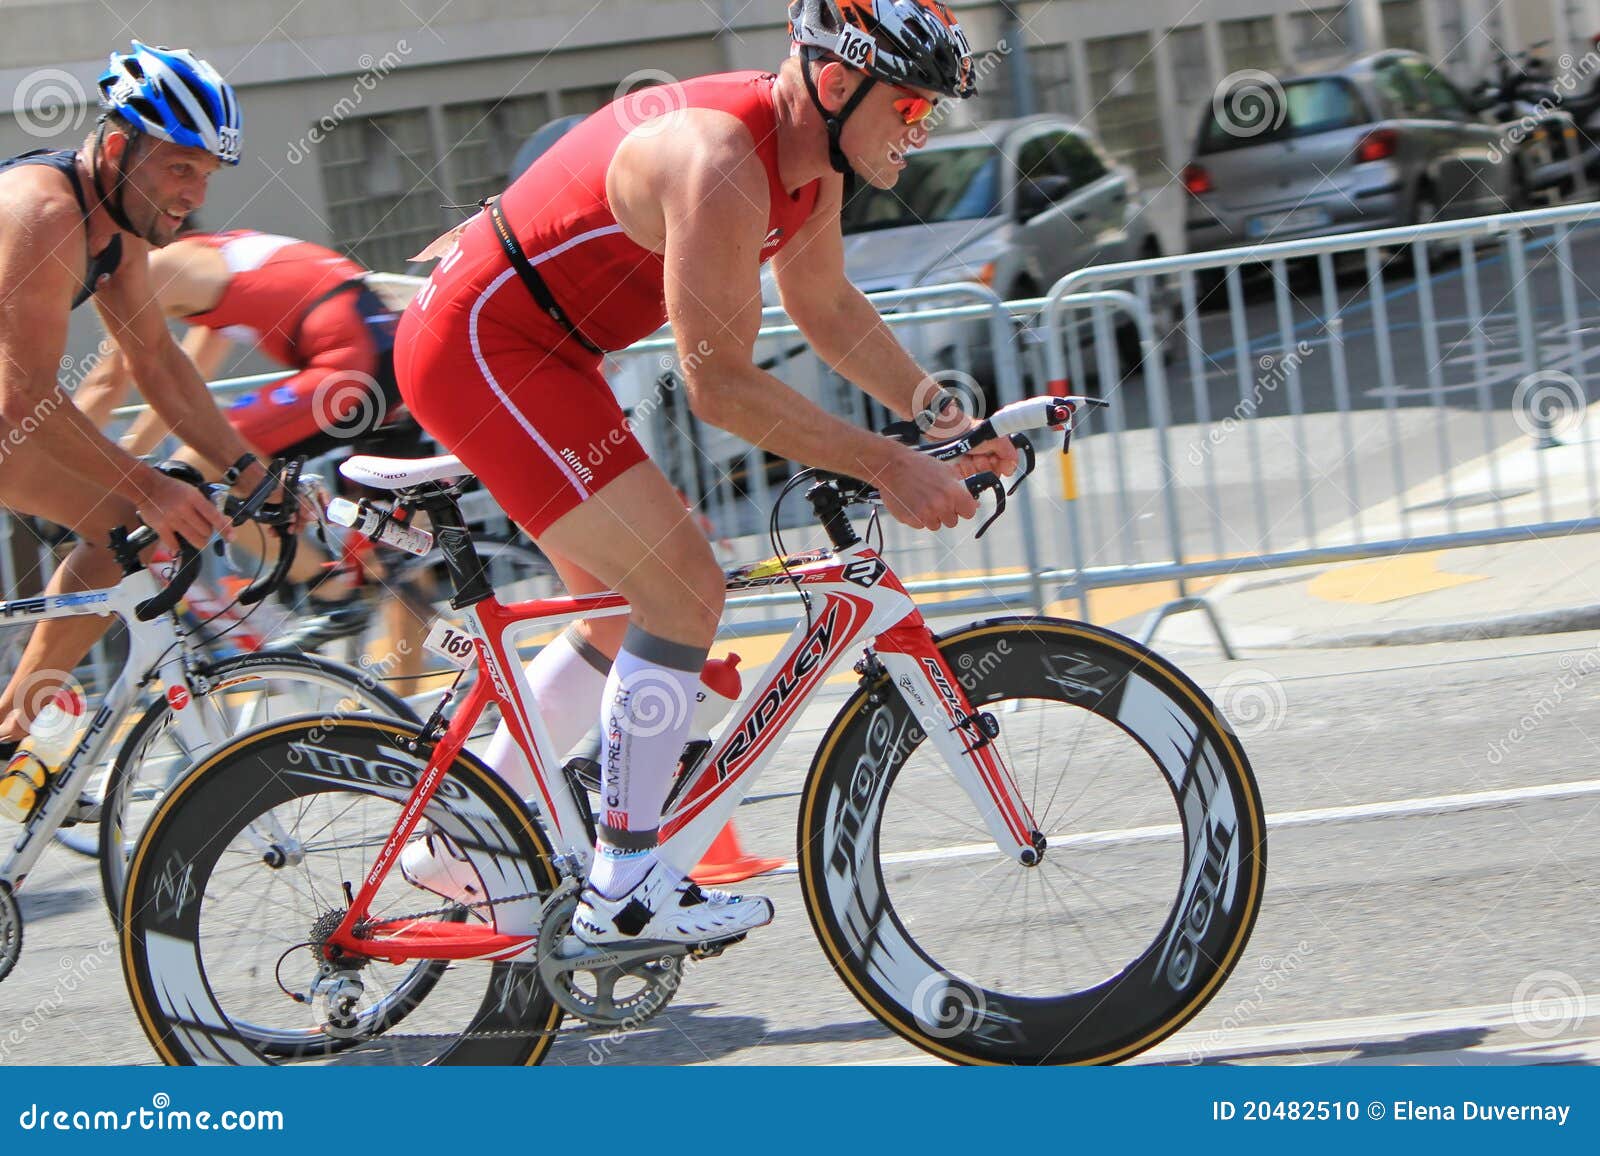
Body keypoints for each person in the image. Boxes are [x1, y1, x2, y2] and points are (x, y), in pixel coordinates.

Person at [395, 0, 1014, 946]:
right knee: (682, 585)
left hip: (551, 353)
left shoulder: (814, 163)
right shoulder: (724, 159)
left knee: (620, 612)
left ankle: (460, 839)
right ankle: (625, 882)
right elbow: (718, 385)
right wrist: (884, 463)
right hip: (486, 342)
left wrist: (941, 418)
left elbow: (827, 306)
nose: (918, 131)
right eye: (911, 108)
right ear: (840, 83)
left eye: (929, 112)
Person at [0, 42, 273, 766]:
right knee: (136, 505)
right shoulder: (43, 214)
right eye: (180, 167)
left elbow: (157, 360)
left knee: (120, 534)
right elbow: (23, 392)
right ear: (119, 147)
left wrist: (252, 471)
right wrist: (149, 482)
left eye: (207, 175)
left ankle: (9, 737)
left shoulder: (118, 234)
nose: (195, 194)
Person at [73, 226, 426, 660]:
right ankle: (403, 714)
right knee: (400, 556)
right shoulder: (214, 261)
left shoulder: (156, 267)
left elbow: (108, 379)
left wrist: (60, 464)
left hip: (351, 362)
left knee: (206, 461)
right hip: (386, 350)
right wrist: (130, 454)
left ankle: (328, 588)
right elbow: (184, 399)